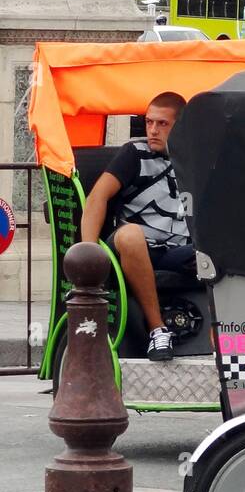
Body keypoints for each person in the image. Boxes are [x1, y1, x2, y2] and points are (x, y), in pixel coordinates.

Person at [80, 93, 190, 361]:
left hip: (178, 249)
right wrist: (88, 255)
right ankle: (157, 331)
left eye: (162, 124)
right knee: (131, 235)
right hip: (135, 246)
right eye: (149, 122)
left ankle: (222, 335)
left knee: (223, 245)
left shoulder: (196, 159)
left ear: (182, 126)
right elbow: (97, 197)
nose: (152, 130)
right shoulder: (134, 153)